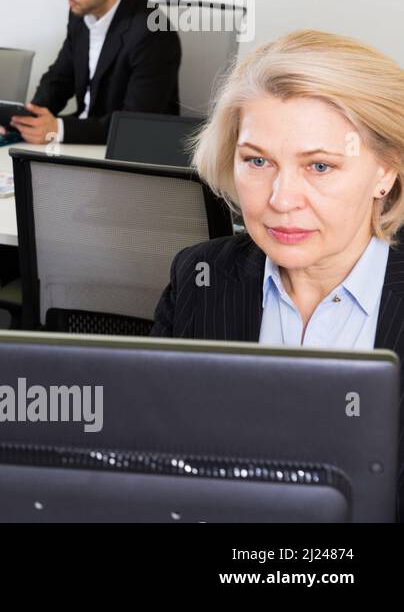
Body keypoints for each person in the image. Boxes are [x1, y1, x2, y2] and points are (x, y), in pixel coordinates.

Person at [150, 30, 404, 518]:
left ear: (385, 172)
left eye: (321, 166)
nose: (281, 199)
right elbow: (155, 461)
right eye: (258, 160)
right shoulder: (199, 277)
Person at [10, 0, 180, 146]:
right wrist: (29, 118)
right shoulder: (81, 13)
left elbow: (135, 123)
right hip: (83, 142)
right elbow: (60, 78)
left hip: (132, 151)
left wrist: (58, 129)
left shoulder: (154, 33)